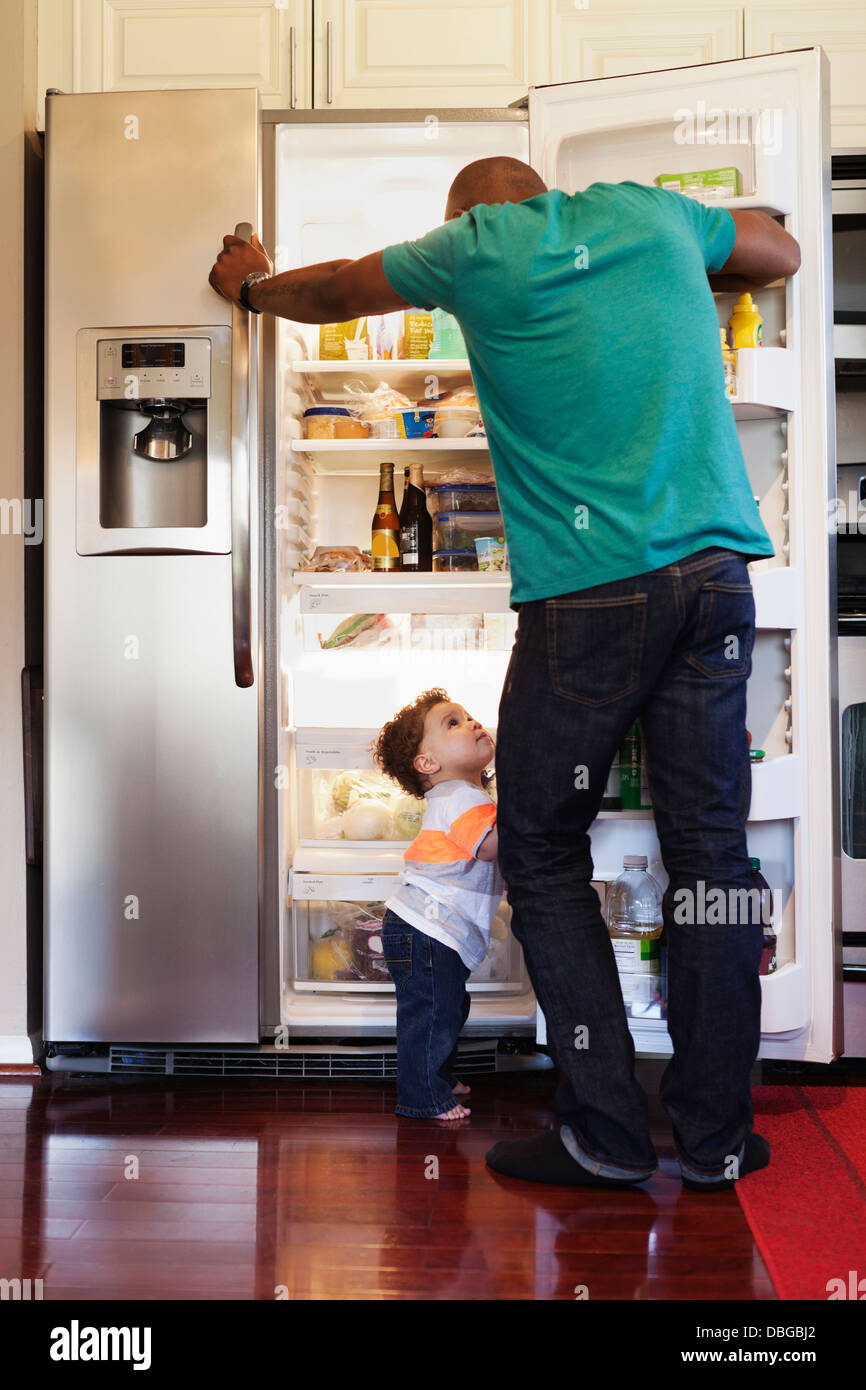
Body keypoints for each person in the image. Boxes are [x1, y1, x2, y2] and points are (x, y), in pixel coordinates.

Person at [209, 155, 800, 1191]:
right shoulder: (651, 214)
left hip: (588, 599)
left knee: (539, 849)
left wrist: (253, 284)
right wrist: (724, 228)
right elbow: (775, 251)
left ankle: (606, 1135)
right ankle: (711, 1140)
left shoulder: (476, 245)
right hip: (713, 579)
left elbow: (338, 287)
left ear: (461, 217)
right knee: (710, 859)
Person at [372, 689, 502, 1121]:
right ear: (428, 764)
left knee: (446, 1006)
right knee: (431, 1013)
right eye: (453, 723)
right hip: (428, 928)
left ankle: (438, 1077)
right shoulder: (460, 797)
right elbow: (491, 848)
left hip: (429, 928)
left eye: (468, 716)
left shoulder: (464, 794)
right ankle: (423, 1096)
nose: (472, 723)